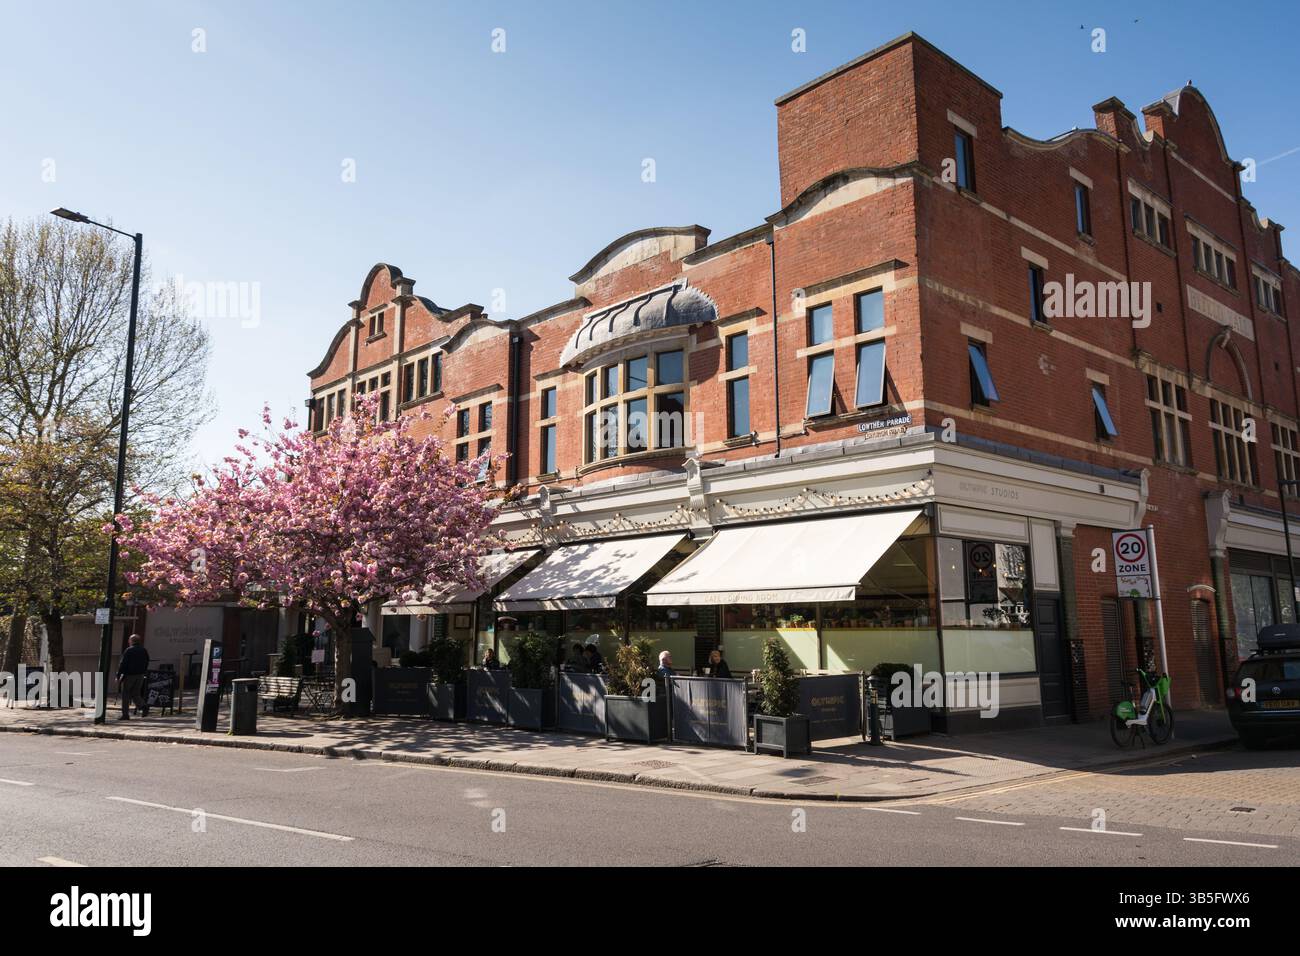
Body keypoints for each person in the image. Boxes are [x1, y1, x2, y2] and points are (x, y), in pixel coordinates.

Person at [117, 634, 150, 720]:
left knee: (126, 694)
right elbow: (147, 661)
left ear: (132, 641)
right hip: (140, 675)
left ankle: (125, 714)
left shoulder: (129, 650)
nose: (128, 641)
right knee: (136, 693)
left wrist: (118, 675)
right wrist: (143, 671)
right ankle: (143, 706)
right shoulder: (144, 650)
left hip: (129, 675)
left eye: (129, 640)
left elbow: (123, 664)